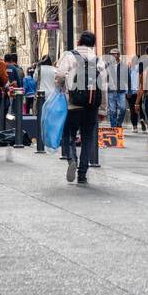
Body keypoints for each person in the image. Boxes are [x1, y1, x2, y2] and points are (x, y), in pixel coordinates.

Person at [56, 31, 108, 186]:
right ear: (93, 44)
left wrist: (61, 88)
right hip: (91, 106)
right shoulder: (98, 61)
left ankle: (72, 159)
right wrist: (103, 110)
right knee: (87, 140)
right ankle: (82, 174)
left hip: (71, 104)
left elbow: (59, 75)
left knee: (68, 135)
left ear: (78, 42)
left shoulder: (69, 56)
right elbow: (103, 87)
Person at [104, 49, 129, 129]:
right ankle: (114, 127)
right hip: (111, 91)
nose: (112, 56)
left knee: (123, 108)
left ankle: (118, 123)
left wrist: (129, 90)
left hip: (121, 91)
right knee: (112, 111)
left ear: (118, 55)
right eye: (111, 54)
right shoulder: (107, 65)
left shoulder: (124, 65)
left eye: (114, 54)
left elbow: (128, 78)